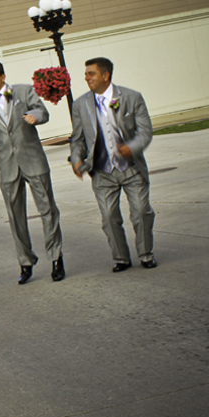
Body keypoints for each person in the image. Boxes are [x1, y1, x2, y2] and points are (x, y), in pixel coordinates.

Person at [0, 61, 65, 284]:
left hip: (33, 160)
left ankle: (56, 259)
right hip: (8, 167)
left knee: (48, 210)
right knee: (15, 218)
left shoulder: (23, 91)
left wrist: (35, 116)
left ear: (2, 76)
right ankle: (26, 262)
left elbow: (42, 111)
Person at [70, 57, 157, 271]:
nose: (86, 77)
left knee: (141, 212)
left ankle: (146, 254)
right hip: (102, 171)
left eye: (91, 73)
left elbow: (145, 131)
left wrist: (132, 147)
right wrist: (76, 158)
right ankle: (121, 259)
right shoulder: (80, 104)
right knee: (109, 217)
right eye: (86, 73)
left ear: (105, 75)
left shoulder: (131, 97)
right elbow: (77, 138)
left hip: (131, 168)